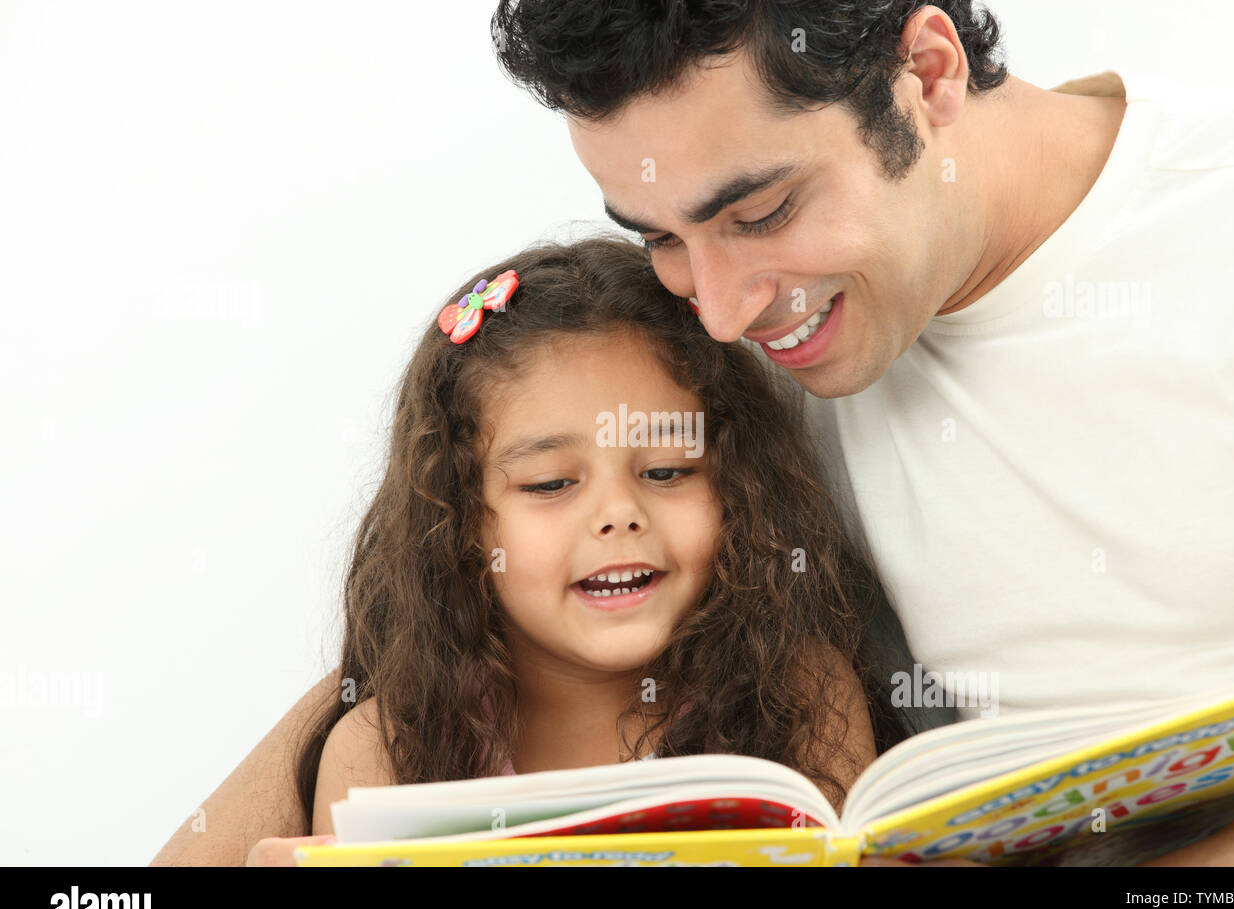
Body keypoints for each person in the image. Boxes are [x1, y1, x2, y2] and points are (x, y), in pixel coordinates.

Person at [486, 0, 1234, 864]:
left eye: (761, 214)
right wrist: (326, 769)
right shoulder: (732, 366)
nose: (723, 314)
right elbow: (454, 602)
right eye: (661, 237)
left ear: (927, 72)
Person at [230, 236, 910, 864]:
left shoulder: (797, 696)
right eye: (551, 484)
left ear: (738, 488)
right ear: (459, 525)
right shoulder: (385, 748)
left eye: (667, 472)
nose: (619, 515)